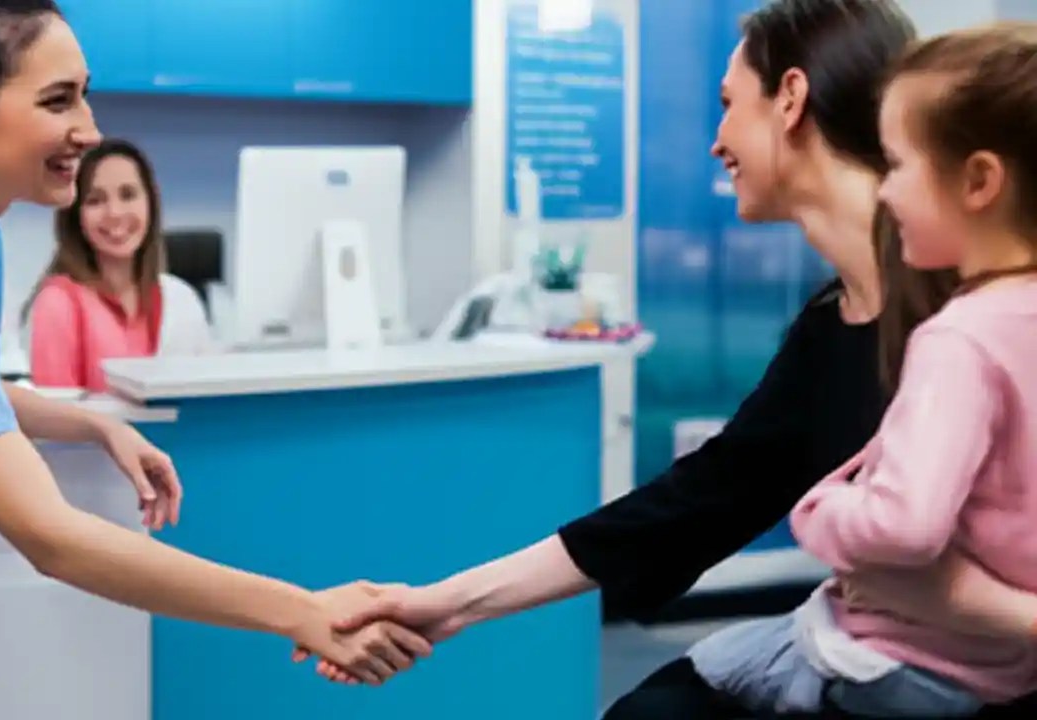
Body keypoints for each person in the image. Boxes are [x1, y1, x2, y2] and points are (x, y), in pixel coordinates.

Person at [300, 1, 1037, 717]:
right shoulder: (833, 326)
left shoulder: (986, 322)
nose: (716, 140)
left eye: (727, 102)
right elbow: (703, 498)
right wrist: (448, 603)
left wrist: (971, 605)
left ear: (790, 98)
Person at [0, 2, 426, 717]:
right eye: (58, 100)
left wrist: (97, 425)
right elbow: (51, 537)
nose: (91, 128)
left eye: (84, 92)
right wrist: (301, 612)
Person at [684, 22, 1037, 717]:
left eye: (900, 165)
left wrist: (821, 512)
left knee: (704, 676)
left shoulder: (958, 339)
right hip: (1006, 667)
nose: (887, 192)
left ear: (978, 181)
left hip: (909, 668)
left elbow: (904, 529)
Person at [24, 138, 216, 392]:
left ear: (151, 203)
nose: (114, 212)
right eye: (95, 200)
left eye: (128, 195)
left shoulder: (181, 299)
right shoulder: (57, 304)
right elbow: (55, 423)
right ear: (74, 215)